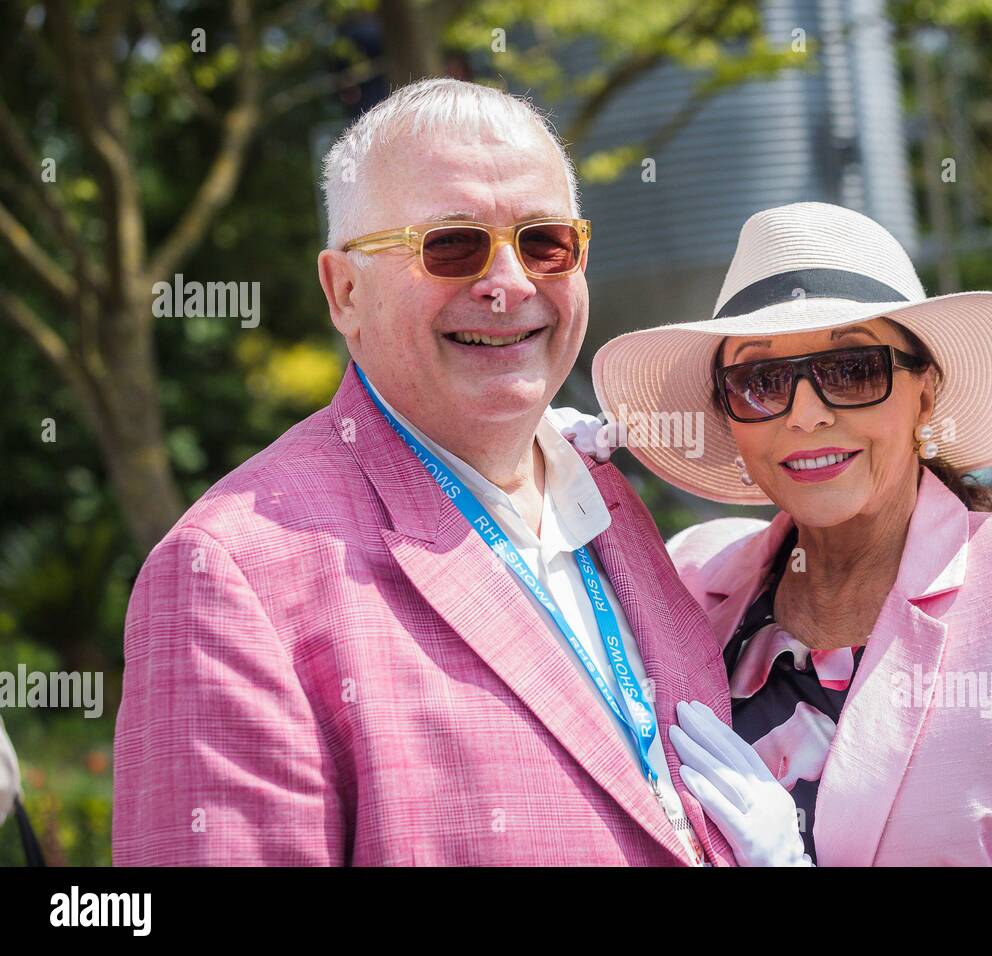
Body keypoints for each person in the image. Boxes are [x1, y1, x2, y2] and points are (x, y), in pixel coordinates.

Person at [111, 78, 738, 866]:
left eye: (544, 241)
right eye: (452, 244)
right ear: (344, 290)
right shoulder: (230, 573)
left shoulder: (611, 501)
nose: (508, 282)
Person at [579, 202, 992, 865]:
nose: (805, 415)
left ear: (925, 390)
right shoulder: (691, 571)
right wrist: (539, 483)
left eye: (852, 368)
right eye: (761, 380)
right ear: (729, 413)